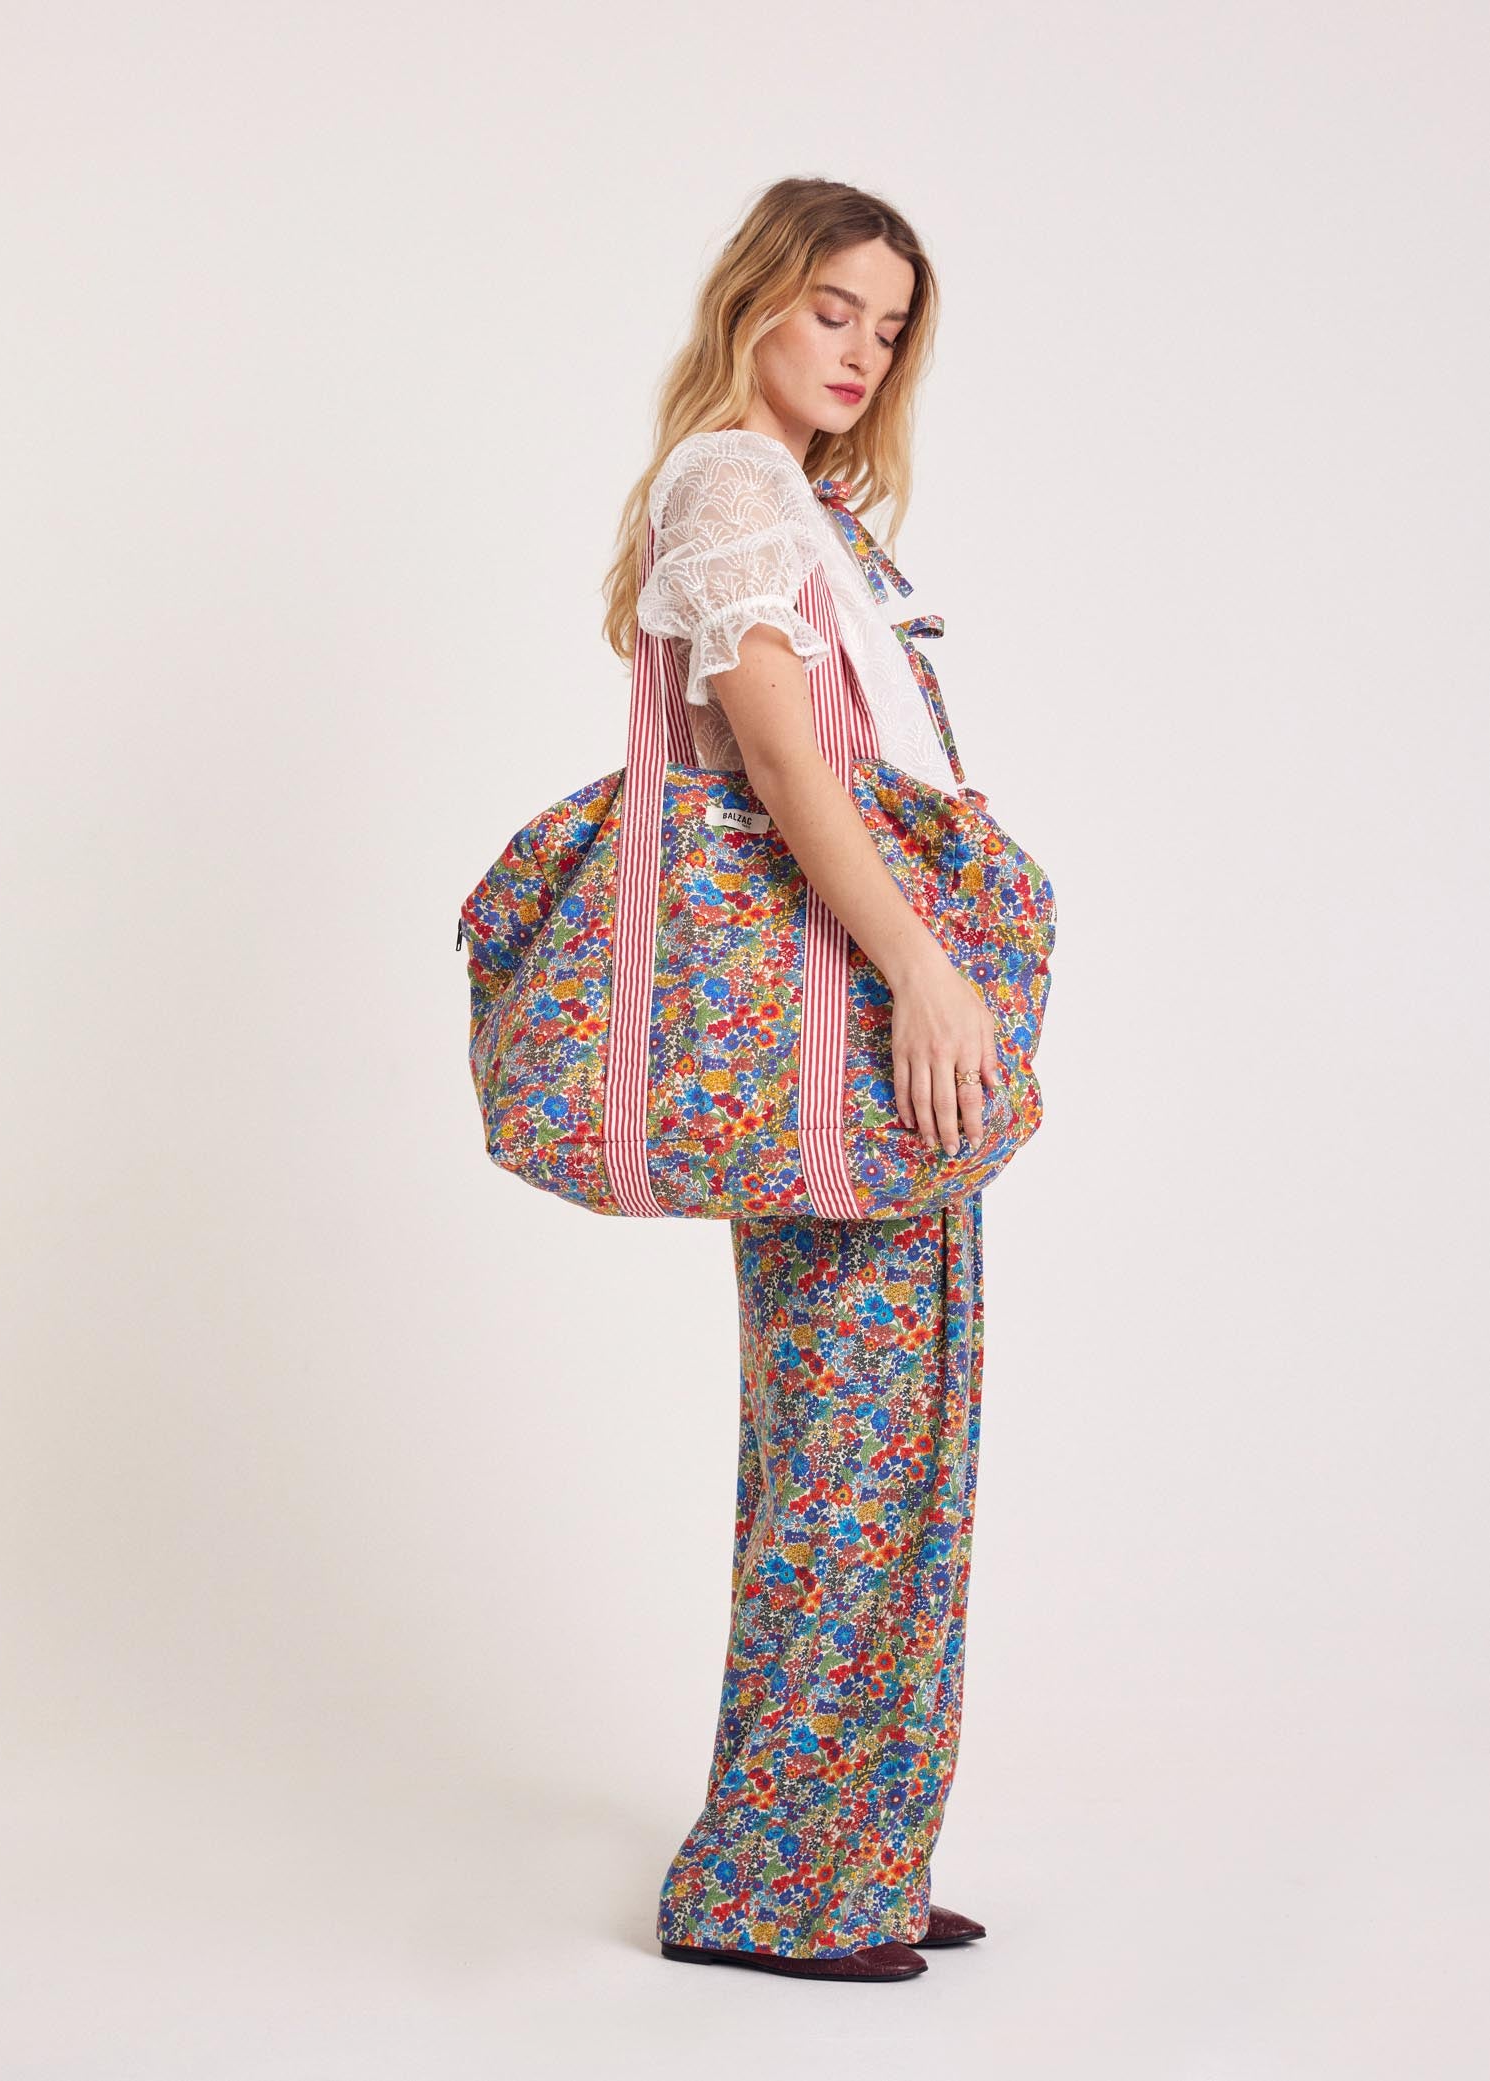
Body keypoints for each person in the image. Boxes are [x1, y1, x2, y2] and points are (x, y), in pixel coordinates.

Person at [600, 178, 1001, 1985]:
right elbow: (777, 759)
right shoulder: (730, 483)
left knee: (897, 1453)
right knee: (846, 1456)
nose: (860, 350)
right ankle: (766, 1888)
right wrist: (919, 964)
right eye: (832, 308)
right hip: (834, 1017)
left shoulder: (809, 504)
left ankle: (852, 1854)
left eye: (887, 327)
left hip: (869, 1015)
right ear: (756, 295)